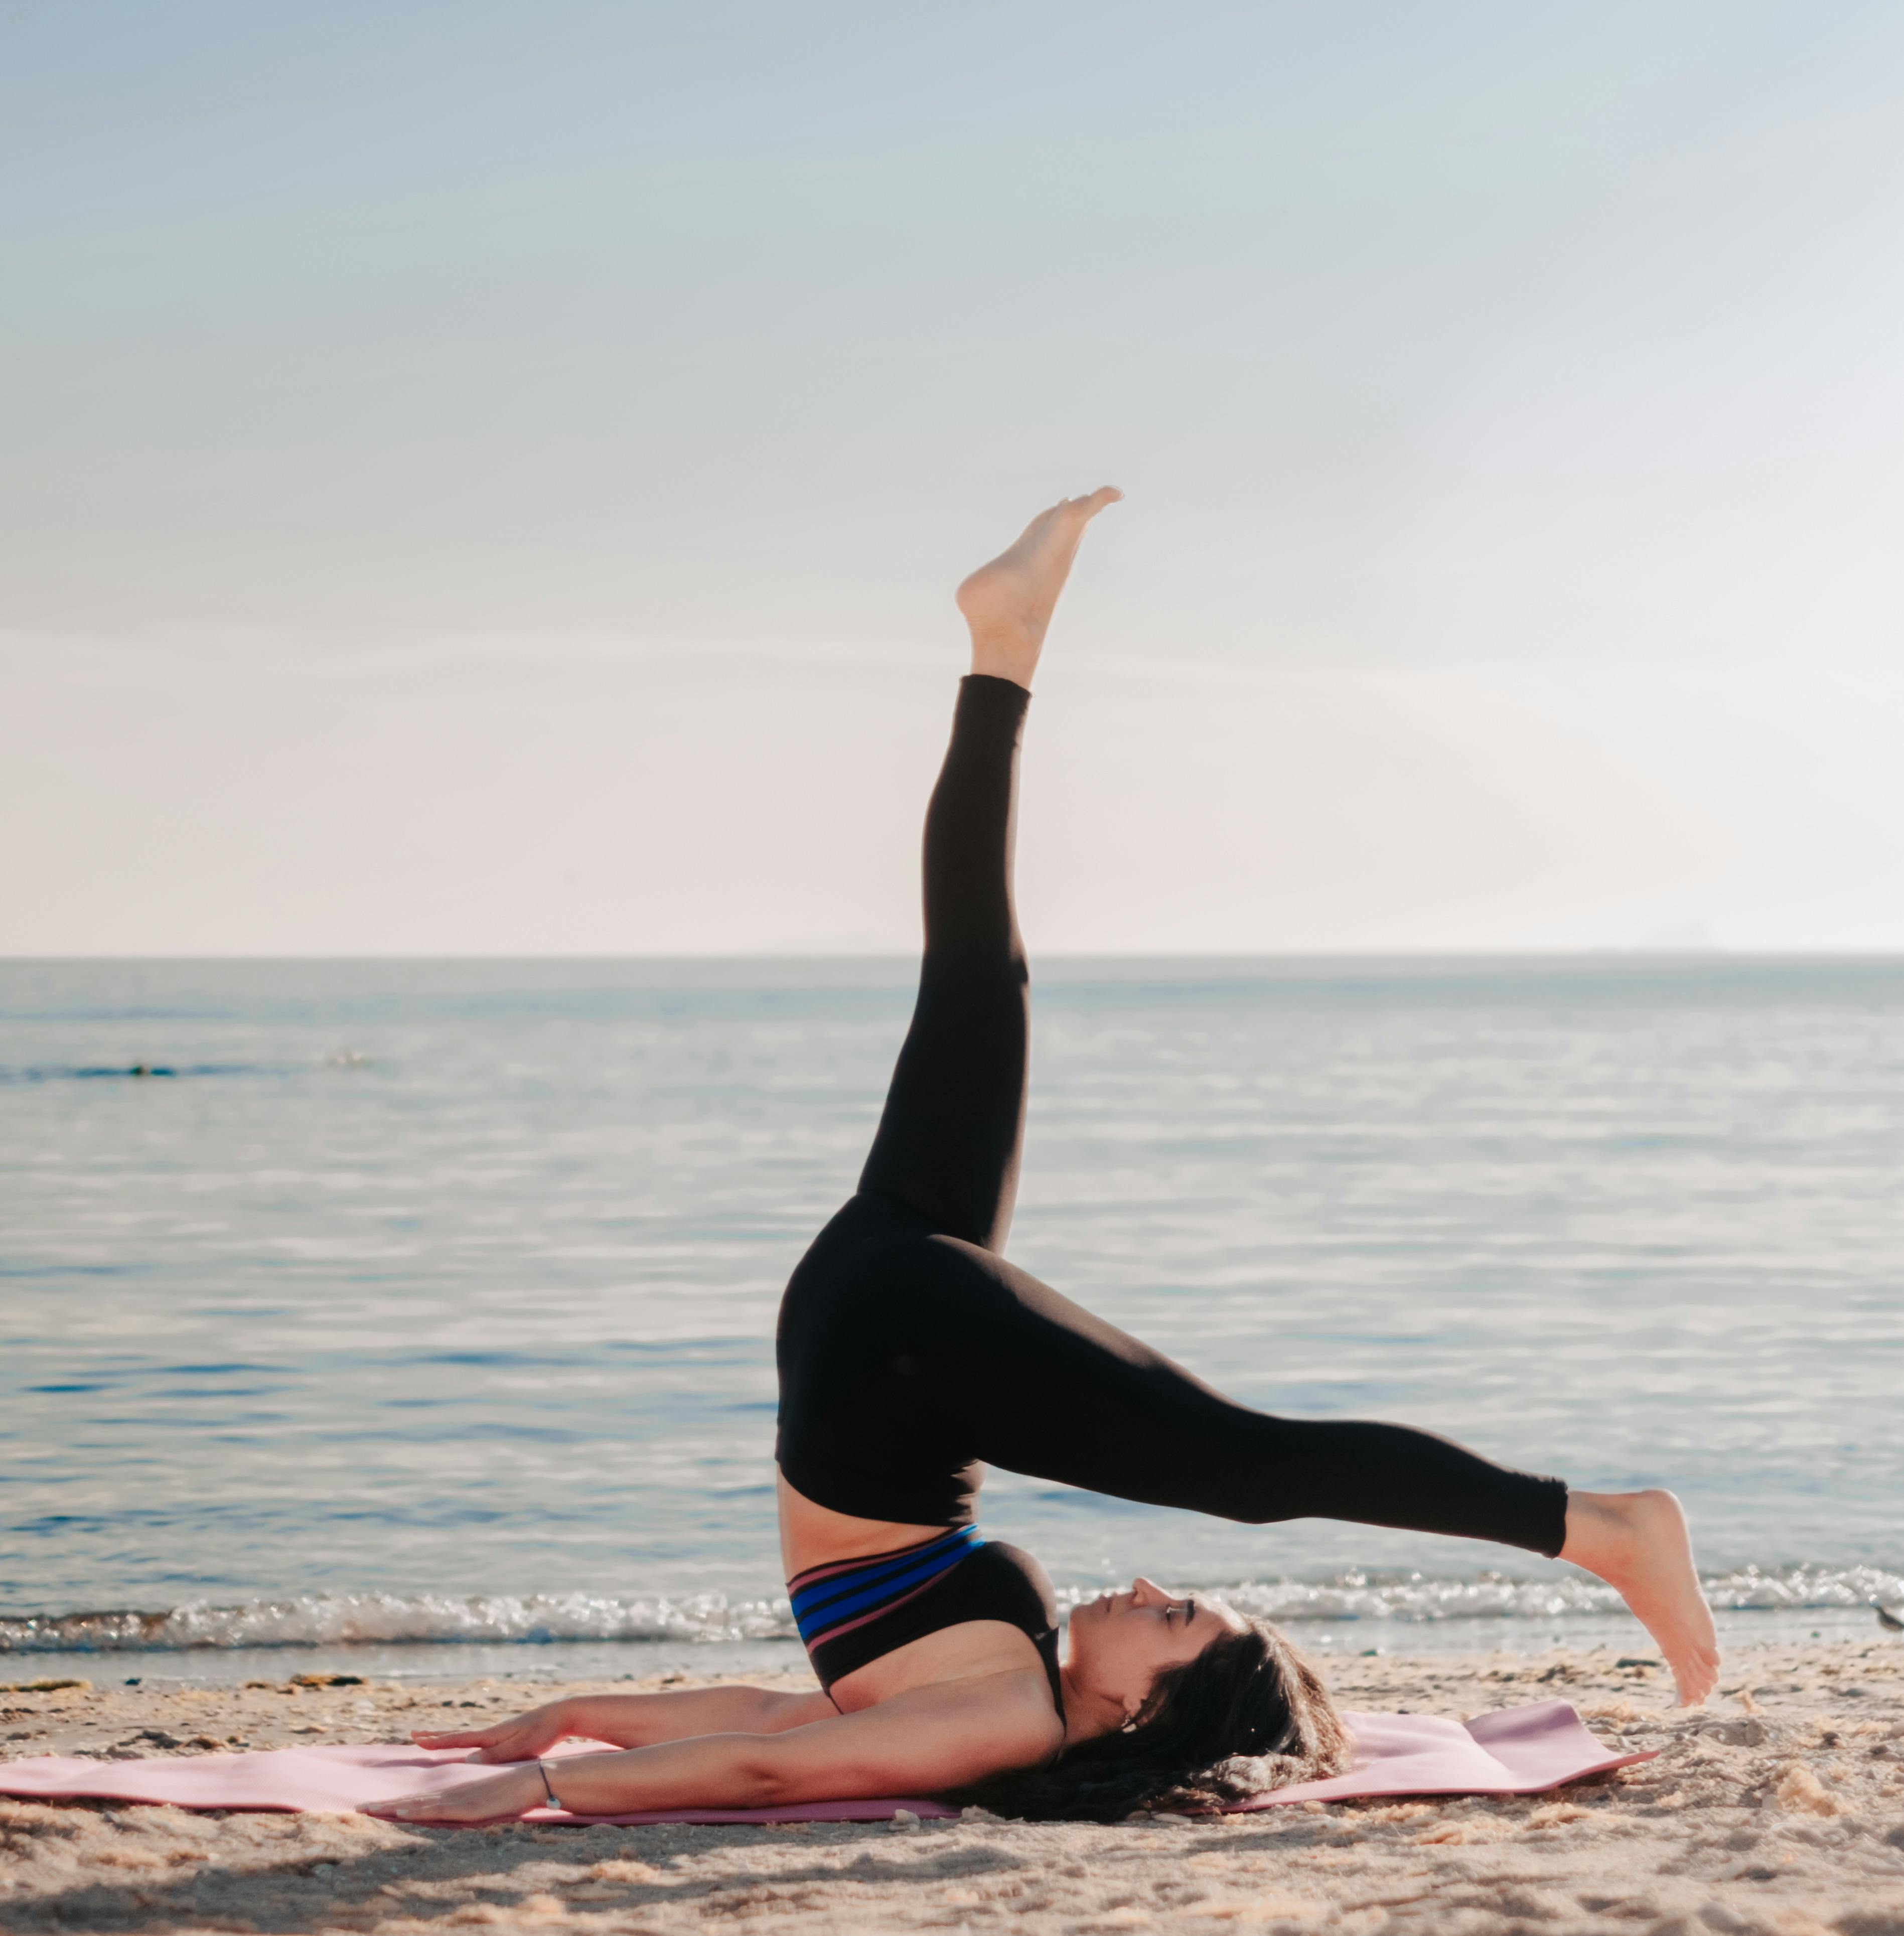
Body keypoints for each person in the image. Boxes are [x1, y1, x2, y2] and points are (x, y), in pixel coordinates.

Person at [373, 493, 1717, 1825]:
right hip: (874, 1328)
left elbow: (774, 1759)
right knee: (978, 981)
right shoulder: (998, 1704)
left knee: (1245, 1469)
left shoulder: (1003, 1715)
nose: (1150, 1589)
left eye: (1178, 1621)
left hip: (892, 1343)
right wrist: (571, 1716)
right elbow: (780, 1721)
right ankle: (1001, 648)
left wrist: (550, 1780)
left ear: (1147, 1709)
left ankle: (1599, 1524)